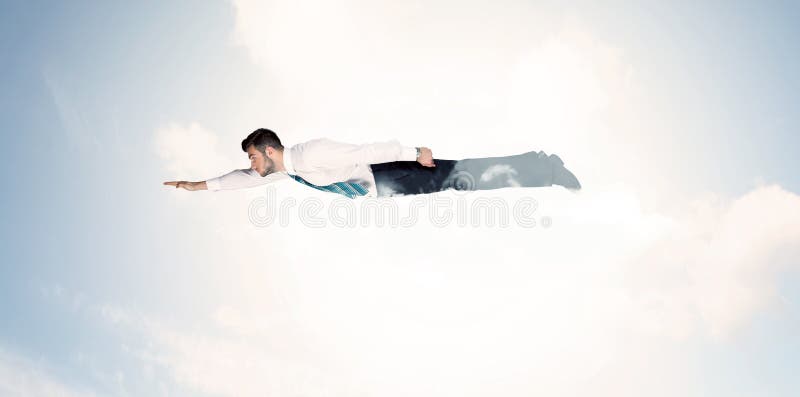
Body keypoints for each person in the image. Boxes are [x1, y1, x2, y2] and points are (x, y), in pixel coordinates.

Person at [163, 128, 580, 198]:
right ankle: (539, 164)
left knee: (463, 177)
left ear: (269, 150)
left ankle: (545, 169)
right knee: (462, 179)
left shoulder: (310, 155)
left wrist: (413, 151)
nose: (252, 165)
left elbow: (363, 152)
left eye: (254, 157)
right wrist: (198, 186)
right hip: (384, 184)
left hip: (388, 173)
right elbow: (243, 180)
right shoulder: (288, 170)